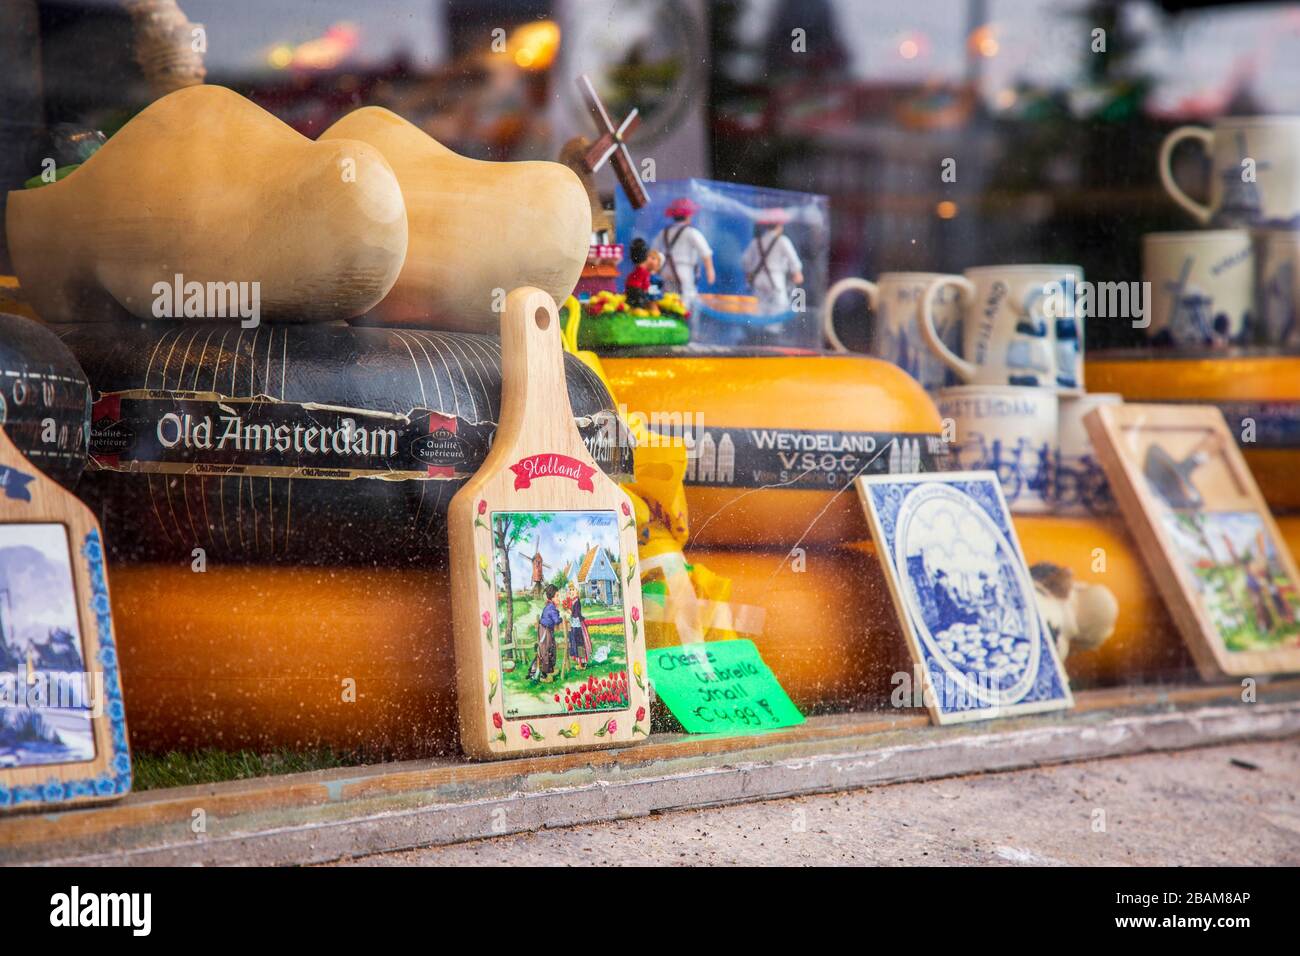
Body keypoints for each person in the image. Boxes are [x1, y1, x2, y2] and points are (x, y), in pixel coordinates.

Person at [652, 197, 714, 312]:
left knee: (667, 298)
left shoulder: (664, 232)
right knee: (686, 300)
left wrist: (654, 270)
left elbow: (654, 251)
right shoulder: (691, 232)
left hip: (665, 269)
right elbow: (705, 252)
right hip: (684, 270)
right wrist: (710, 270)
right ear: (688, 216)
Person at [741, 209, 802, 316]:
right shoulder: (783, 240)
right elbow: (792, 258)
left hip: (758, 277)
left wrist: (749, 272)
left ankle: (757, 327)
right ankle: (772, 330)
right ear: (779, 226)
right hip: (776, 278)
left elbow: (745, 260)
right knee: (779, 305)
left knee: (758, 305)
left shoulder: (756, 241)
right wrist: (797, 272)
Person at [532, 584, 561, 682]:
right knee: (547, 650)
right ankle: (544, 675)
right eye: (557, 596)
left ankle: (550, 670)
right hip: (545, 631)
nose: (559, 598)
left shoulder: (549, 606)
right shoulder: (551, 608)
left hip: (547, 630)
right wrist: (559, 616)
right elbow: (556, 621)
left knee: (550, 649)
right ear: (552, 597)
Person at [566, 582, 593, 670]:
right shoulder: (573, 601)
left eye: (573, 590)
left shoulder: (577, 601)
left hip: (578, 625)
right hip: (575, 624)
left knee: (580, 642)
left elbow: (576, 614)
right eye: (570, 590)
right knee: (575, 642)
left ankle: (583, 663)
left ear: (577, 591)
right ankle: (580, 662)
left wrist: (570, 612)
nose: (571, 592)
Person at [625, 237, 654, 309]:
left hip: (630, 292)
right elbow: (646, 286)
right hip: (638, 294)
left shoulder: (633, 273)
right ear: (646, 256)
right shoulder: (645, 273)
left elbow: (628, 282)